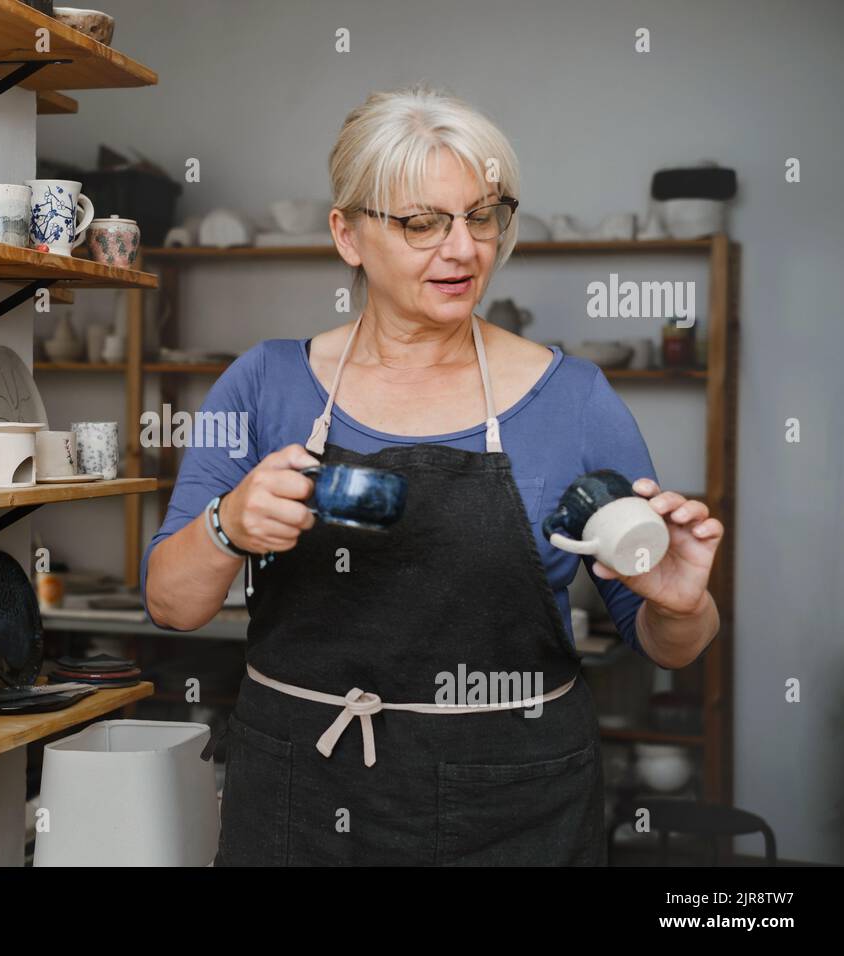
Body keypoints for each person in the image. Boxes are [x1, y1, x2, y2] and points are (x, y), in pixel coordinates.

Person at [142, 86, 723, 865]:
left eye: (481, 216)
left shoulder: (576, 399)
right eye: (422, 223)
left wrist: (683, 607)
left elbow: (667, 643)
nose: (463, 249)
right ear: (347, 234)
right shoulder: (263, 385)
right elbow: (170, 604)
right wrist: (228, 526)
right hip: (304, 803)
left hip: (516, 810)